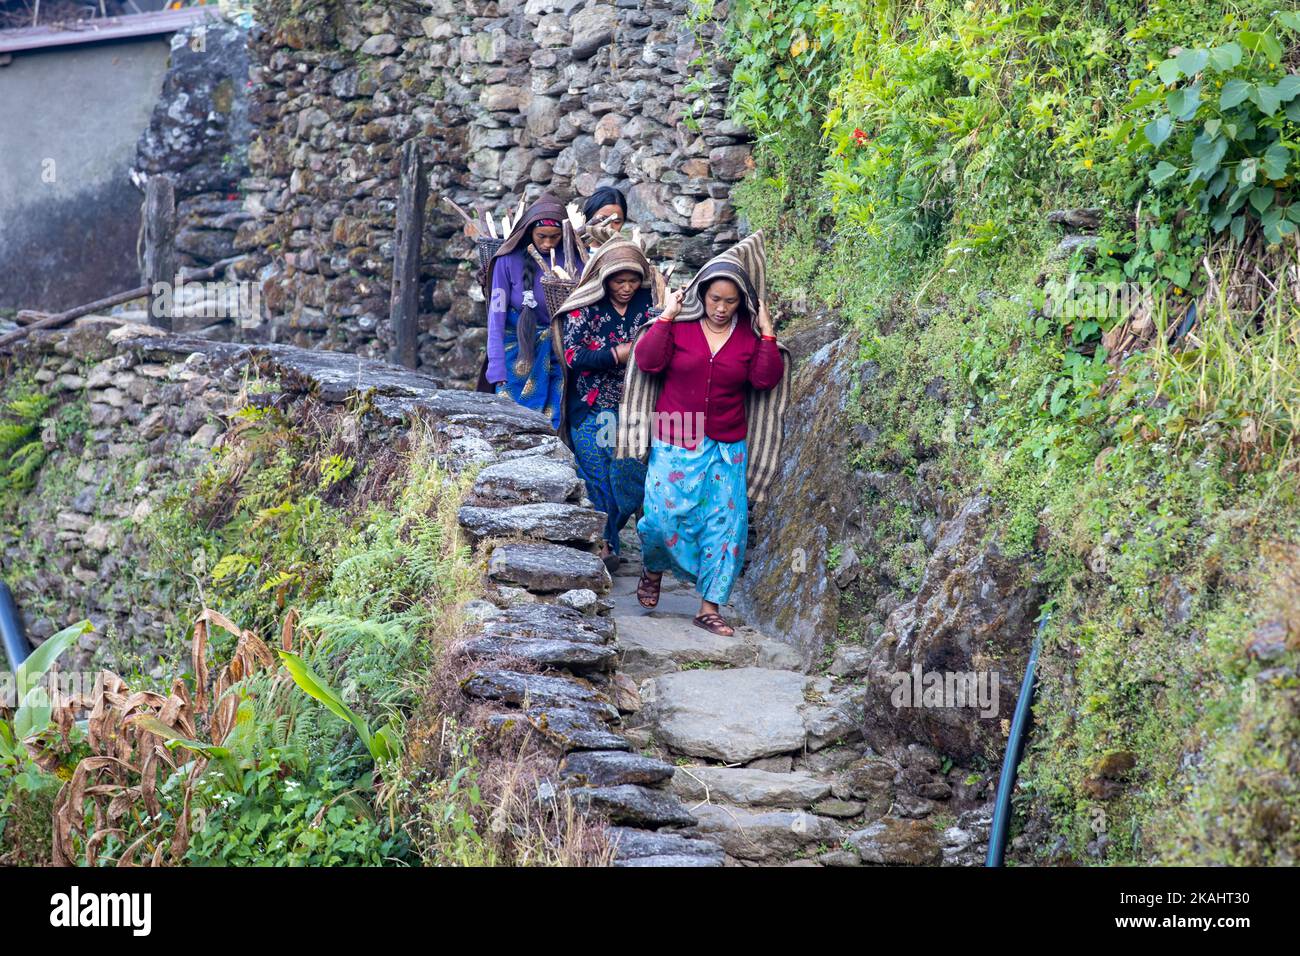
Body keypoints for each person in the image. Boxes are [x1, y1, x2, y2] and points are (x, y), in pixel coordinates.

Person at [615, 231, 791, 636]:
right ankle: (655, 565)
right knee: (660, 519)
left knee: (725, 526)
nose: (722, 308)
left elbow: (765, 380)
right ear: (702, 296)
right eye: (715, 299)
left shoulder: (749, 336)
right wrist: (667, 316)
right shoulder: (681, 327)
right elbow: (648, 360)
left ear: (741, 302)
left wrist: (767, 332)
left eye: (731, 302)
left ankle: (709, 606)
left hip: (727, 442)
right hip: (677, 432)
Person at [554, 238, 657, 571]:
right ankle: (605, 544)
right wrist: (619, 353)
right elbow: (573, 356)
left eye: (632, 280)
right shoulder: (586, 307)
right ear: (604, 279)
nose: (626, 288)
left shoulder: (648, 303)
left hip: (635, 404)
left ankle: (609, 534)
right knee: (597, 474)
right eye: (618, 281)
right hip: (590, 403)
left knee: (627, 475)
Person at [476, 193, 580, 430]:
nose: (547, 243)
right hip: (516, 355)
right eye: (541, 236)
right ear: (528, 232)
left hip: (557, 353)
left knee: (552, 423)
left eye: (554, 238)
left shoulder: (574, 262)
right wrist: (497, 364)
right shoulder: (506, 261)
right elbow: (496, 316)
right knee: (508, 425)